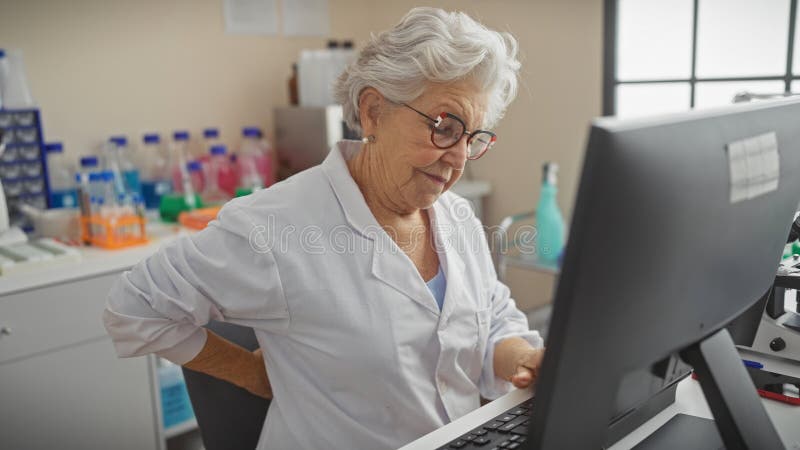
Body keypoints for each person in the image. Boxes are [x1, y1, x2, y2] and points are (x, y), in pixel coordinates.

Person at [103, 7, 544, 449]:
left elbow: (491, 322)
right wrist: (250, 372)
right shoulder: (276, 226)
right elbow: (135, 307)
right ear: (373, 112)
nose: (459, 158)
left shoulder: (457, 216)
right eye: (445, 128)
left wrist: (522, 357)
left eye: (474, 138)